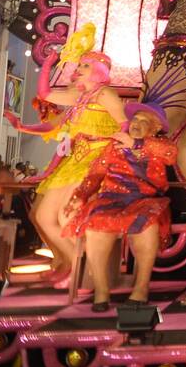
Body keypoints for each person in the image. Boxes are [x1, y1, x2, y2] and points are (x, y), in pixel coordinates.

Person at [10, 36, 128, 278]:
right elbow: (44, 93)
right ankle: (72, 265)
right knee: (42, 217)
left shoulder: (106, 95)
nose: (78, 69)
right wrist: (48, 64)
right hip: (73, 161)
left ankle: (77, 270)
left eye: (85, 65)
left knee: (66, 218)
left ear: (98, 70)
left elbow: (124, 125)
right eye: (80, 65)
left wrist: (114, 149)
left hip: (94, 162)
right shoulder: (79, 98)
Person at [61, 103, 178, 311]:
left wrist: (136, 144)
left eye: (144, 121)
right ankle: (101, 290)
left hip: (145, 199)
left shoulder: (159, 145)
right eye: (135, 119)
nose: (136, 124)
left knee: (147, 223)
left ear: (155, 128)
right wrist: (80, 196)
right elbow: (95, 175)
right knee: (96, 224)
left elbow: (170, 154)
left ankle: (141, 289)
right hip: (112, 199)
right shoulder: (113, 146)